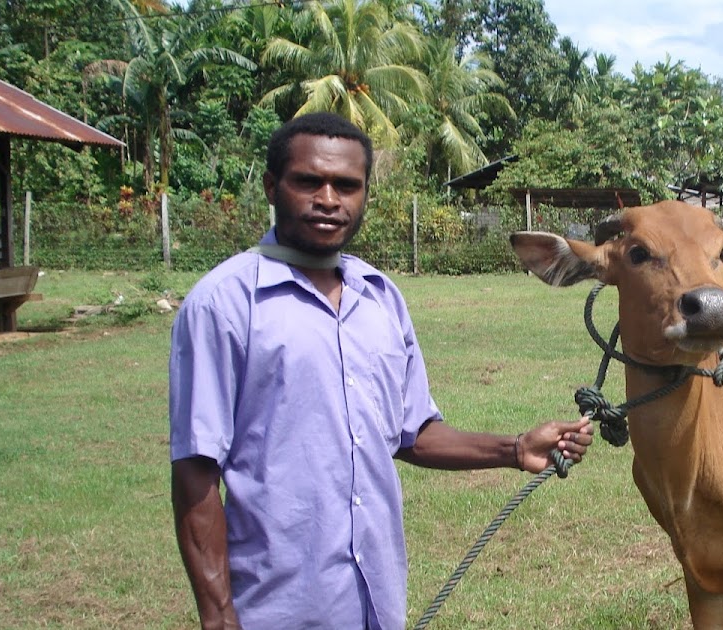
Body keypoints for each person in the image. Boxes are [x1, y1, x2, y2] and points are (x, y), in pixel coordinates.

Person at [168, 112, 594, 630]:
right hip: (277, 606)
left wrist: (513, 448)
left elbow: (411, 434)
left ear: (365, 194)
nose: (329, 199)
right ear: (272, 186)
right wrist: (218, 618)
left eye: (347, 185)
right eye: (309, 181)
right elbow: (195, 470)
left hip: (376, 599)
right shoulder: (225, 303)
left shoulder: (380, 297)